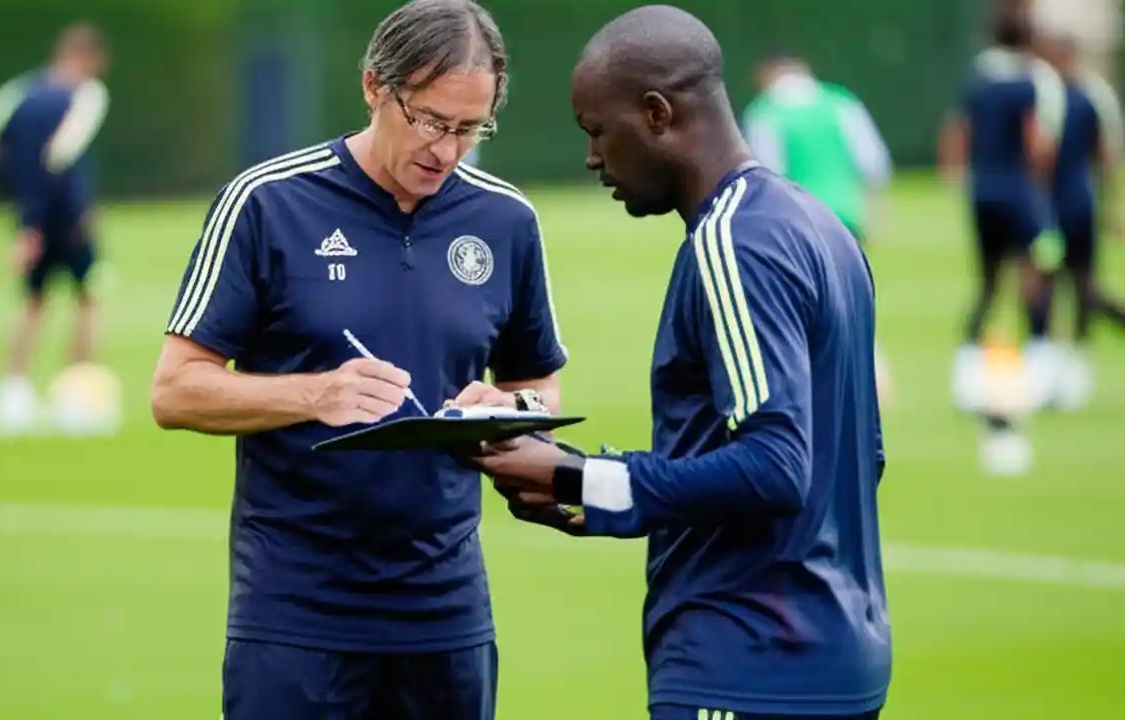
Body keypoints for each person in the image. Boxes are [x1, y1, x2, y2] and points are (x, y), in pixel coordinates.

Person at [150, 2, 566, 718]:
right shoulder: (267, 203)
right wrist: (313, 396)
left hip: (446, 607)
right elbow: (176, 391)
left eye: (471, 129)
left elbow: (539, 390)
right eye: (433, 121)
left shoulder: (506, 221)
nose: (447, 149)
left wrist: (502, 413)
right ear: (375, 86)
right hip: (296, 611)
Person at [474, 6, 889, 719]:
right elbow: (861, 456)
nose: (592, 158)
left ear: (658, 113)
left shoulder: (732, 244)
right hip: (840, 656)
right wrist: (592, 490)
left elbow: (776, 466)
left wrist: (581, 476)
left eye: (597, 131)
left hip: (748, 662)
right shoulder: (819, 227)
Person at [0, 22, 110, 437]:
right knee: (88, 299)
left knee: (32, 302)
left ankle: (13, 398)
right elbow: (62, 158)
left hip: (30, 214)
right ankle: (76, 401)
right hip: (69, 217)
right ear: (90, 59)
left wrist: (25, 218)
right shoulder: (88, 94)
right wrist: (76, 213)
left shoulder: (18, 92)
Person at [743, 53, 895, 401]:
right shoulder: (840, 102)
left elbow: (766, 173)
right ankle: (868, 372)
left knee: (801, 304)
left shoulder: (765, 112)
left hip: (795, 223)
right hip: (845, 217)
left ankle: (828, 380)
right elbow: (873, 160)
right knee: (847, 296)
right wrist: (875, 210)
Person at [938, 0, 1066, 412]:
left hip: (982, 193)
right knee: (1041, 271)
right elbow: (1036, 144)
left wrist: (956, 172)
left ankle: (967, 372)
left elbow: (960, 130)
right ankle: (1043, 372)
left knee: (990, 282)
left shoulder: (979, 80)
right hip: (1019, 196)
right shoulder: (1027, 83)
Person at [1034, 31, 1125, 409]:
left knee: (1071, 284)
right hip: (1071, 203)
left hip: (1062, 206)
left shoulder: (1064, 98)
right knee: (1066, 285)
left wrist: (1113, 208)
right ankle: (1062, 370)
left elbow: (1102, 156)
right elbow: (1106, 159)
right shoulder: (1077, 96)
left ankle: (1070, 370)